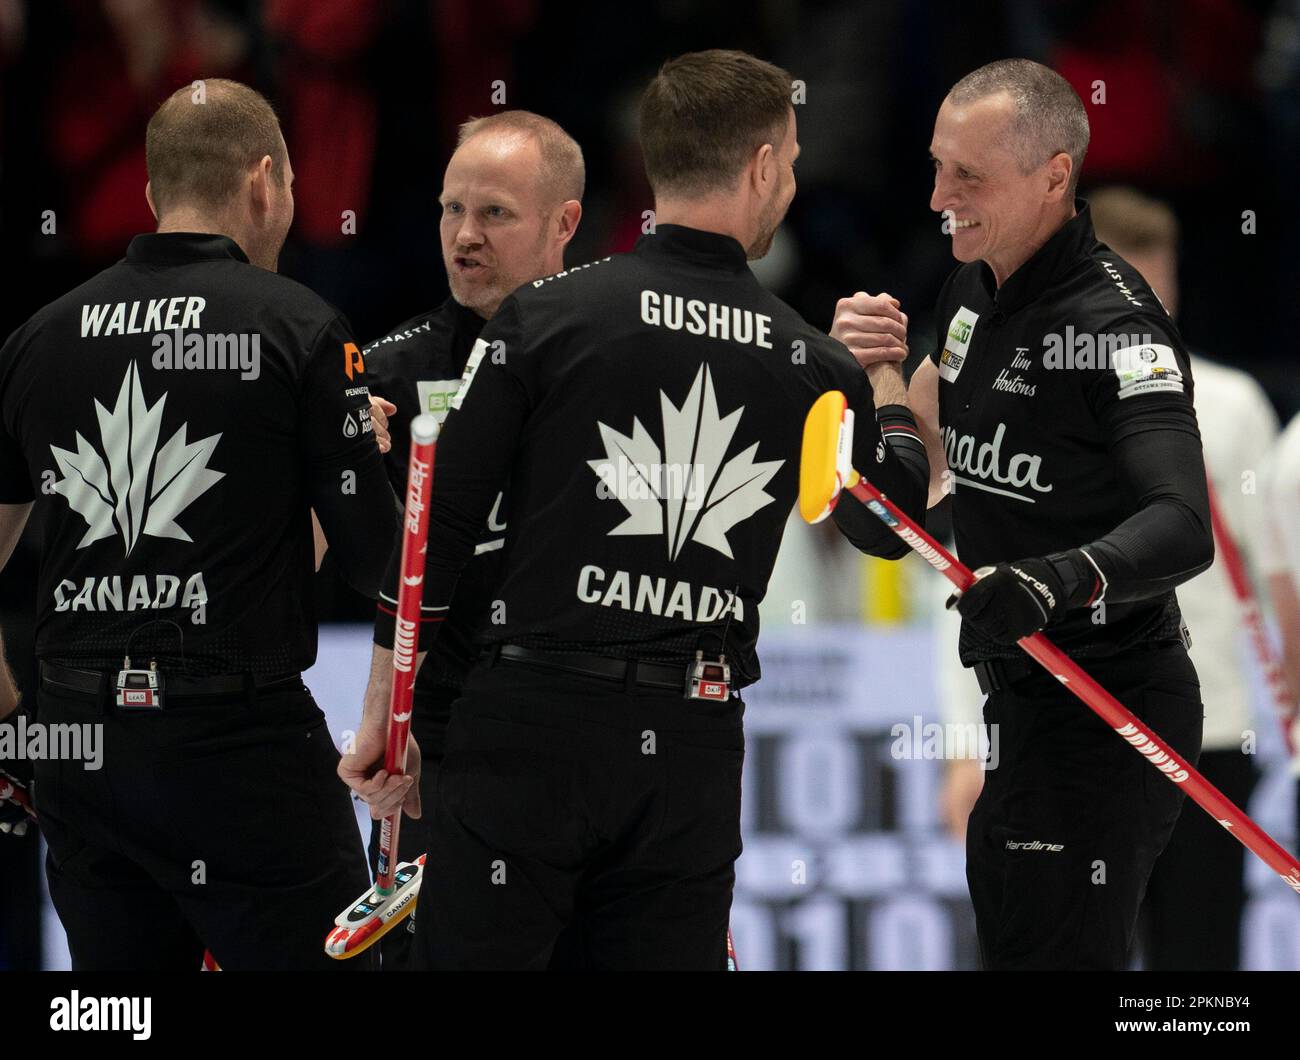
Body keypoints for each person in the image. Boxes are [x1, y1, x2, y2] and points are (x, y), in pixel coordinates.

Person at [340, 48, 930, 970]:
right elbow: (889, 527)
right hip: (686, 746)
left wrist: (388, 715)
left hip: (527, 728)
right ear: (764, 166)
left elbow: (437, 531)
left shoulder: (542, 318)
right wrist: (886, 381)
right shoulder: (811, 359)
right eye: (794, 159)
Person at [0, 79, 399, 970]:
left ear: (150, 194)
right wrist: (345, 462)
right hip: (243, 752)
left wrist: (18, 725)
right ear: (266, 181)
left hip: (85, 745)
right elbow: (384, 563)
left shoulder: (38, 338)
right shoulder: (299, 326)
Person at [835, 59, 1212, 970]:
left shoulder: (1115, 325)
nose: (938, 196)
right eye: (936, 167)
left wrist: (1053, 580)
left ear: (1054, 173)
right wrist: (875, 380)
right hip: (1020, 705)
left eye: (968, 176)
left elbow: (1182, 524)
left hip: (1112, 701)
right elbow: (890, 518)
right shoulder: (970, 292)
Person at [355, 109, 584, 967]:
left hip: (590, 736)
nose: (464, 235)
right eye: (452, 211)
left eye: (494, 214)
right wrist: (337, 472)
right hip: (442, 752)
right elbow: (318, 559)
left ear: (564, 223)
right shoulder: (388, 371)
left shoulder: (614, 350)